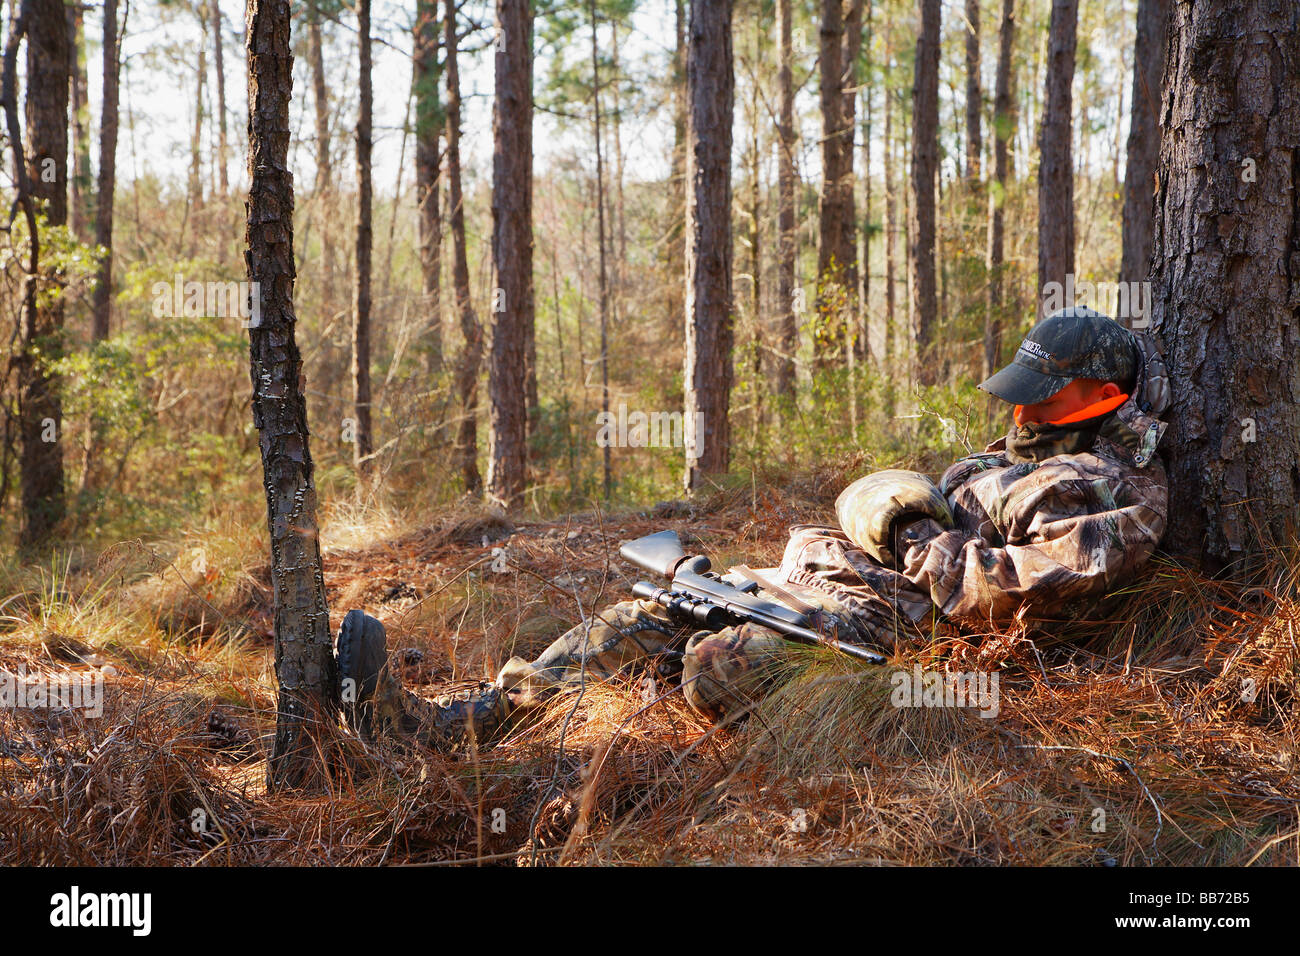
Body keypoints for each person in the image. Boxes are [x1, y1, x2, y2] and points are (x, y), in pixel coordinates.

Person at [335, 306, 1171, 750]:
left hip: (884, 639)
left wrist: (909, 533)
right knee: (647, 611)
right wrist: (882, 504)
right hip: (815, 591)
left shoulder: (1119, 496)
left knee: (715, 667)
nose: (1021, 408)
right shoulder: (1017, 454)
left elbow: (1009, 595)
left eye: (1044, 395)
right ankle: (449, 730)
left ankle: (794, 724)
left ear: (1098, 395)